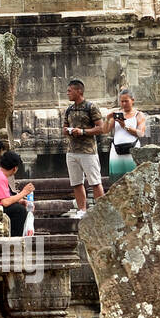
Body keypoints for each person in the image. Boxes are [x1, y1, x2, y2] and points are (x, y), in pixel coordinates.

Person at [63, 79, 104, 217]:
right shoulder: (69, 109)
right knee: (76, 182)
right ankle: (82, 210)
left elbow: (101, 128)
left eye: (70, 91)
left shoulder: (90, 107)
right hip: (72, 151)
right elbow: (63, 128)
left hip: (88, 151)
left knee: (95, 182)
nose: (67, 93)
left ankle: (101, 210)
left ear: (78, 91)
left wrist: (83, 132)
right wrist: (68, 131)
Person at [0, 151, 35, 237]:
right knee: (19, 210)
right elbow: (5, 202)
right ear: (15, 168)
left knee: (19, 207)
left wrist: (20, 200)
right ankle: (15, 239)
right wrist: (24, 192)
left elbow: (6, 198)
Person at [104, 89, 147, 181]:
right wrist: (107, 119)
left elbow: (141, 133)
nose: (124, 104)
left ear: (132, 100)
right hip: (117, 150)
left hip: (132, 149)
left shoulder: (139, 115)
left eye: (126, 101)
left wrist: (125, 126)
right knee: (117, 179)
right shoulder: (117, 115)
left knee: (133, 177)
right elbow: (105, 130)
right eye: (122, 101)